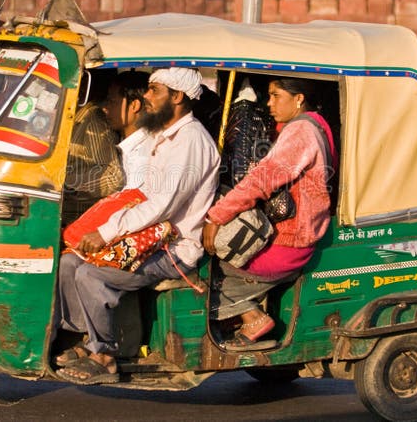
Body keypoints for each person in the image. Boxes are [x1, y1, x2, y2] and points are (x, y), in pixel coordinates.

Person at [56, 67, 220, 384]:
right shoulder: (163, 135)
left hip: (173, 249)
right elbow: (140, 194)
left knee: (91, 275)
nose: (146, 97)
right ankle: (84, 339)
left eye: (154, 90)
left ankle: (105, 356)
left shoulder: (191, 141)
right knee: (68, 262)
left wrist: (106, 232)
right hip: (146, 236)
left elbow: (161, 206)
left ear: (177, 97)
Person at [202, 78, 337, 351]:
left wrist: (216, 216)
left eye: (276, 96)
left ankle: (252, 317)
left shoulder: (301, 131)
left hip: (289, 242)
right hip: (298, 235)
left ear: (299, 98)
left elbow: (263, 179)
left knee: (206, 266)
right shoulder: (316, 124)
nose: (269, 103)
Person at [101, 70, 151, 189]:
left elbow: (129, 197)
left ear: (134, 106)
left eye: (112, 102)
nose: (105, 108)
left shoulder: (144, 154)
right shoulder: (119, 141)